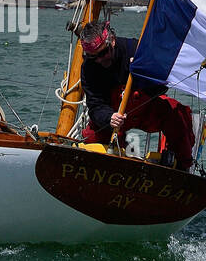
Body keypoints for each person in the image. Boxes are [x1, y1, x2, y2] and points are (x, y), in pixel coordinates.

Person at [78, 21, 194, 170]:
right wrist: (109, 117)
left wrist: (144, 74)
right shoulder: (88, 67)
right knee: (92, 136)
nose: (100, 60)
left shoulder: (136, 50)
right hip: (113, 116)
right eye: (93, 57)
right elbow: (95, 106)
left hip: (144, 107)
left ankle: (183, 167)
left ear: (112, 40)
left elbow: (162, 85)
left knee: (176, 112)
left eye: (103, 53)